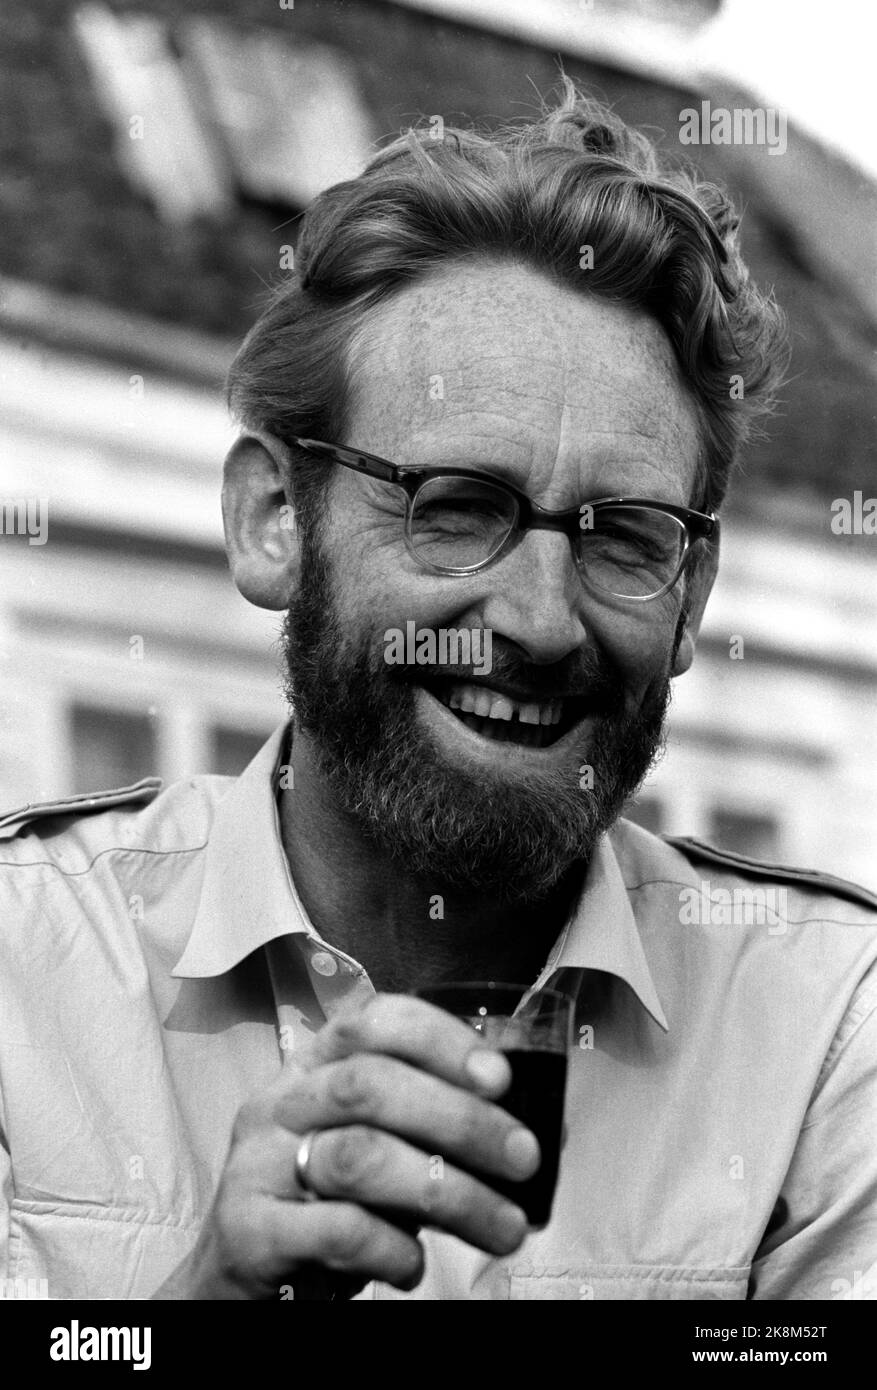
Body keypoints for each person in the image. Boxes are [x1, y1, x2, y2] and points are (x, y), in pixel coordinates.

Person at [1, 85, 875, 1303]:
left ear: (691, 592)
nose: (537, 619)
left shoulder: (828, 1024)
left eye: (624, 536)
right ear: (272, 522)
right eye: (455, 509)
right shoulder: (24, 970)